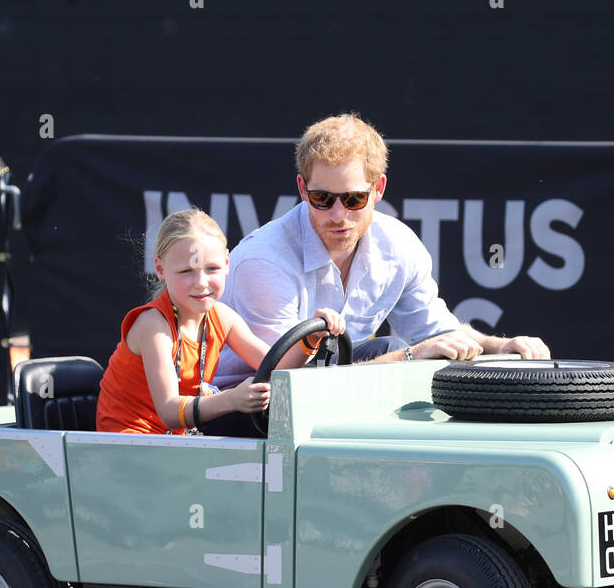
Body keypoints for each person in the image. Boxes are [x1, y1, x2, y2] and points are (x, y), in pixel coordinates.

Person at [213, 113, 550, 389]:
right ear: (303, 189)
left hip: (318, 392)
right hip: (241, 402)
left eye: (353, 198)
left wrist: (499, 348)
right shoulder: (264, 259)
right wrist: (409, 357)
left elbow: (438, 333)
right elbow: (287, 383)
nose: (337, 214)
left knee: (404, 354)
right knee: (396, 352)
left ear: (378, 190)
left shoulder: (399, 245)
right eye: (322, 199)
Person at [96, 208, 344, 435]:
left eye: (212, 269)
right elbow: (169, 411)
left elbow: (275, 368)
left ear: (227, 263)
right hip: (125, 447)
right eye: (186, 271)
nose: (201, 282)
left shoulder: (222, 316)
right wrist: (232, 399)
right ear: (160, 269)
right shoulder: (153, 325)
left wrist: (310, 339)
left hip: (172, 446)